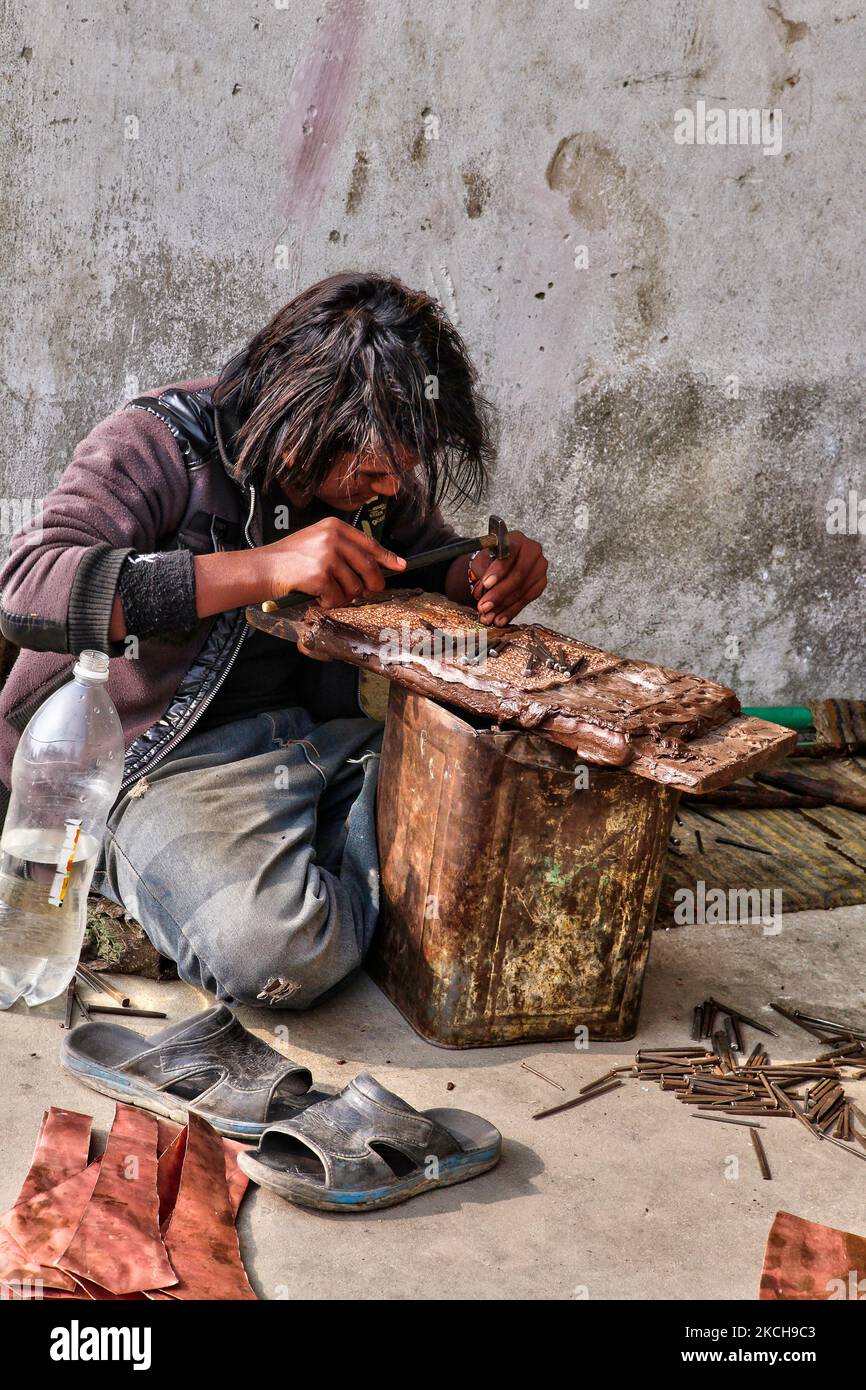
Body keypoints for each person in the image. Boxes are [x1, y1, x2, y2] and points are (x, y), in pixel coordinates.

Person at [0, 272, 549, 1007]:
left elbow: (423, 561)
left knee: (513, 827)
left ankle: (305, 871)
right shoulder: (162, 443)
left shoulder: (371, 485)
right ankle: (188, 873)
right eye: (377, 471)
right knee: (274, 951)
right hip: (164, 766)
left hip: (329, 744)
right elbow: (31, 585)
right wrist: (263, 569)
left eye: (401, 474)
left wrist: (484, 575)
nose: (387, 491)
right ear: (310, 414)